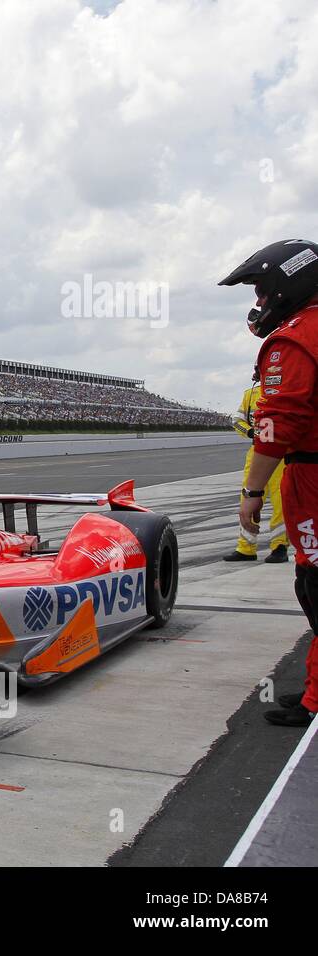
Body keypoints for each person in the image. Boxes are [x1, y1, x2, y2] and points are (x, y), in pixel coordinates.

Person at [221, 237, 318, 726]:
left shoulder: (295, 338)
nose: (258, 302)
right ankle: (314, 694)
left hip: (311, 475)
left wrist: (252, 491)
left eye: (260, 290)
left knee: (315, 585)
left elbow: (276, 424)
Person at [225, 376, 287, 562]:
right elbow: (236, 420)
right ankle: (246, 547)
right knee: (248, 496)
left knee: (280, 499)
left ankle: (280, 547)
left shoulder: (286, 391)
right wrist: (250, 432)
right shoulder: (250, 394)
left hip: (281, 451)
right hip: (256, 450)